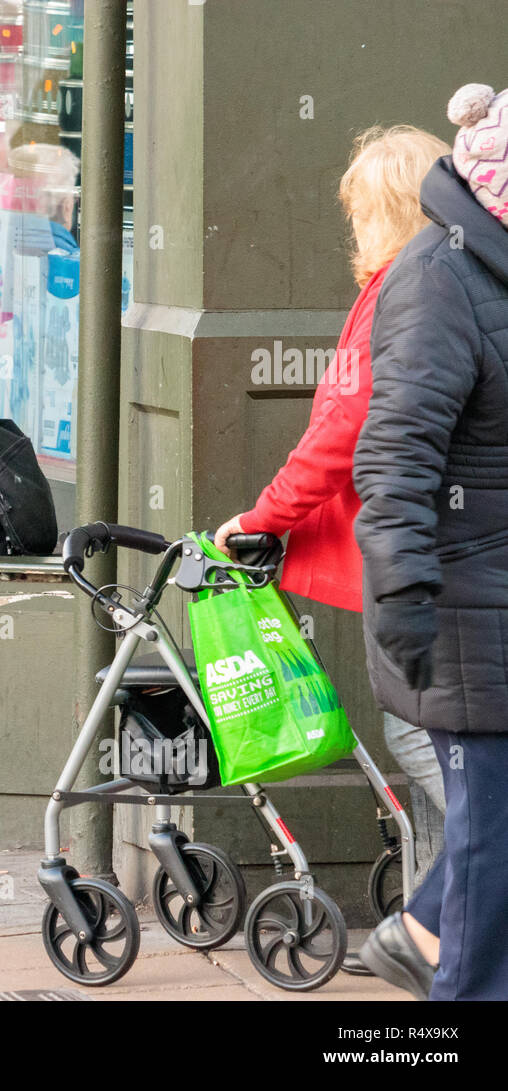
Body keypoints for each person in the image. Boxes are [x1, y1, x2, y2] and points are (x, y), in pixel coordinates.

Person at [213, 125, 451, 975]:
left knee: (424, 734)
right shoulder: (441, 285)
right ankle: (428, 933)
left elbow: (344, 430)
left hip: (416, 553)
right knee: (421, 737)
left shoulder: (402, 292)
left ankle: (456, 916)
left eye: (357, 207)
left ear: (384, 209)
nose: (349, 223)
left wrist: (263, 516)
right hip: (436, 547)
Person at [353, 84, 508, 1001]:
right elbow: (397, 453)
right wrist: (405, 596)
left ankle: (418, 932)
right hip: (464, 618)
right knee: (491, 858)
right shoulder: (438, 277)